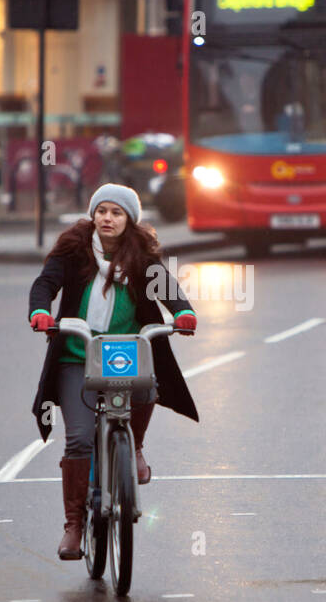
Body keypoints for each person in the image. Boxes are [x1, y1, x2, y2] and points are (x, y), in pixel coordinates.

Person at [28, 183, 199, 560]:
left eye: (116, 212)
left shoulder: (141, 256)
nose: (107, 218)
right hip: (77, 354)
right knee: (79, 440)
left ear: (129, 220)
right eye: (102, 210)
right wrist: (40, 312)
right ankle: (74, 525)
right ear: (94, 214)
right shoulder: (72, 251)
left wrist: (182, 312)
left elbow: (167, 289)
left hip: (125, 352)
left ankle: (133, 445)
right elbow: (45, 284)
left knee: (148, 386)